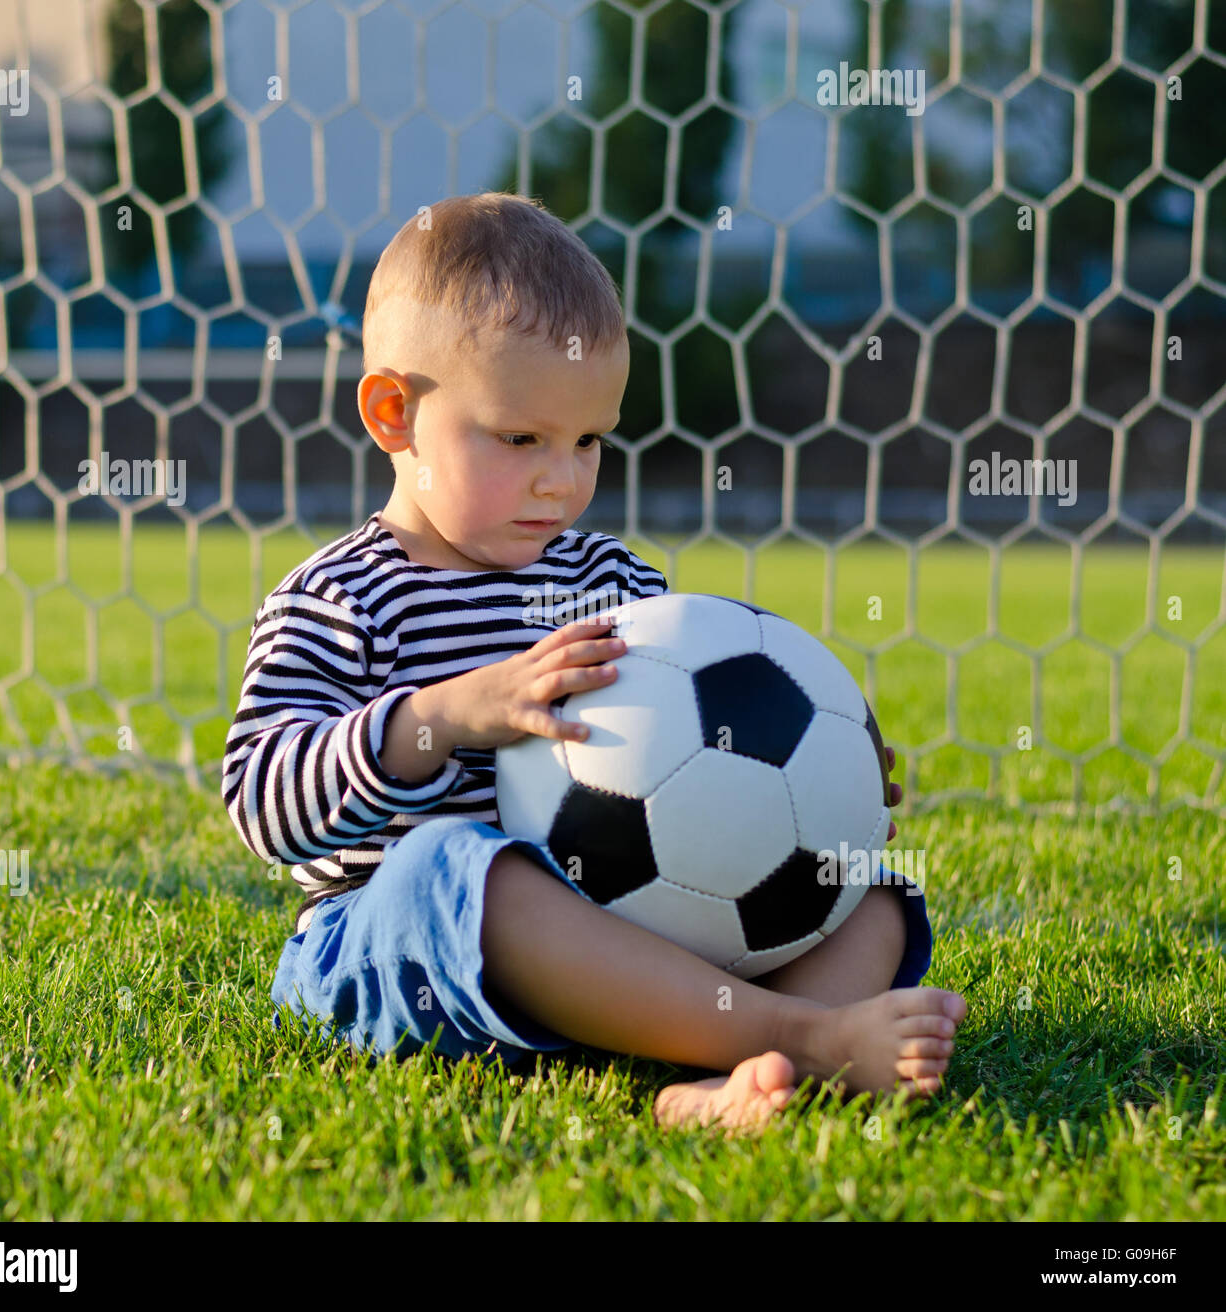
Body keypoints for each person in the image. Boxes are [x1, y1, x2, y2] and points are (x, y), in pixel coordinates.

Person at [222, 191, 967, 1134]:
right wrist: (440, 718)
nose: (562, 478)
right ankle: (807, 1039)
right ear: (393, 413)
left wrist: (823, 784)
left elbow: (686, 753)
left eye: (588, 441)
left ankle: (729, 1076)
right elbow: (261, 803)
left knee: (869, 891)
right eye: (521, 438)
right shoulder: (337, 599)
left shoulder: (613, 579)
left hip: (633, 936)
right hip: (415, 948)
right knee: (451, 863)